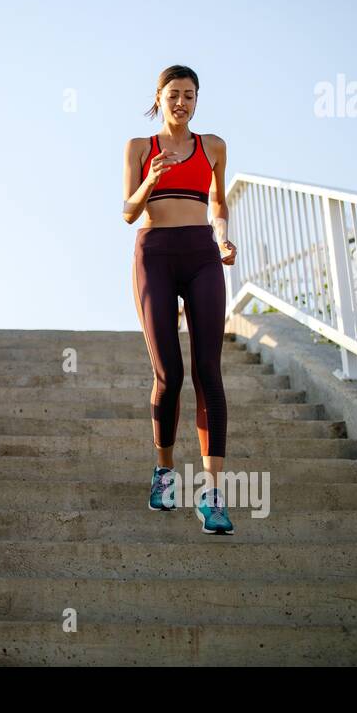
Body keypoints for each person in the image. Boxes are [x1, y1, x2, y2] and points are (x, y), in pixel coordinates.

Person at [122, 65, 237, 534]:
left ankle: (212, 496)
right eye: (174, 94)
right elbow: (128, 211)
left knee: (208, 369)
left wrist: (224, 237)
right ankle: (165, 471)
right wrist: (150, 179)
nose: (182, 102)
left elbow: (218, 201)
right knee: (169, 374)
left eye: (189, 95)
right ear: (159, 97)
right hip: (155, 254)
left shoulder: (213, 146)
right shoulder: (139, 148)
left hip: (203, 255)